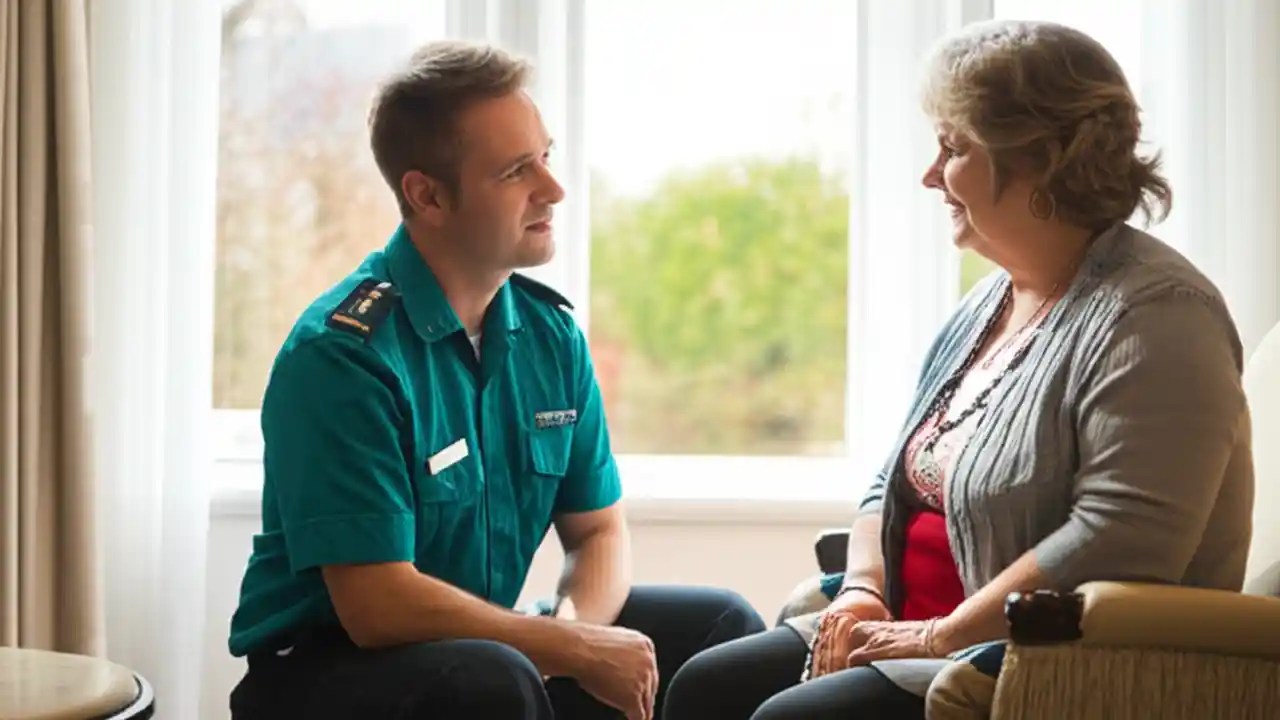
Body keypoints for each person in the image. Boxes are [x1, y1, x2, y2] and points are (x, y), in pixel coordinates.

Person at [662, 19, 1254, 720]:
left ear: (1040, 163)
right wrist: (860, 591)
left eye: (953, 148)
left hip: (1030, 660)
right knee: (705, 686)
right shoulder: (990, 299)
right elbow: (895, 475)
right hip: (914, 625)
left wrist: (939, 634)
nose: (930, 174)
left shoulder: (1160, 316)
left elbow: (1122, 537)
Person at [226, 40, 765, 720]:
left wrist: (571, 635)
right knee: (494, 679)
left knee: (720, 627)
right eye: (516, 171)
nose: (554, 188)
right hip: (325, 671)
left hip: (489, 648)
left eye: (547, 156)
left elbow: (598, 532)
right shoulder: (342, 357)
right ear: (427, 196)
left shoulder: (550, 335)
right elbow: (375, 604)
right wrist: (562, 650)